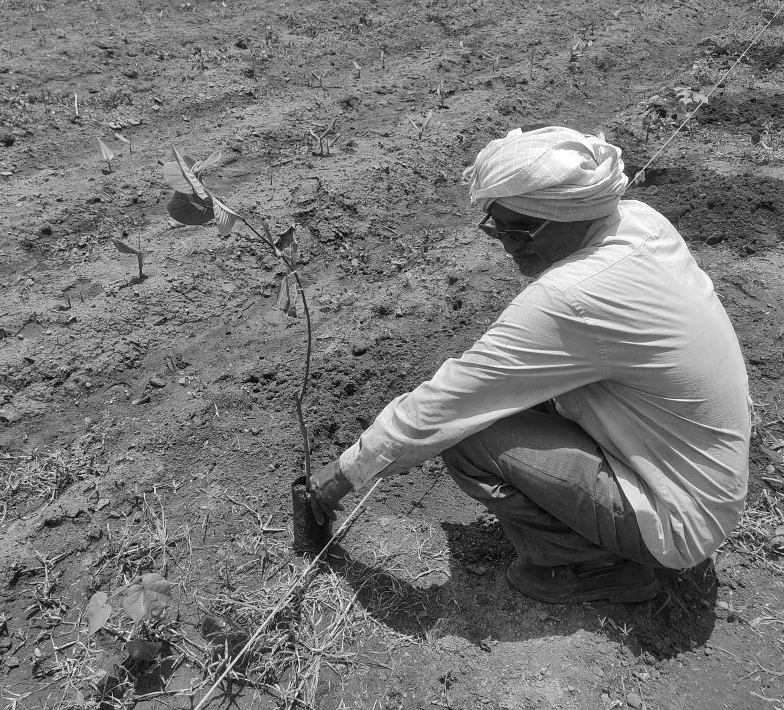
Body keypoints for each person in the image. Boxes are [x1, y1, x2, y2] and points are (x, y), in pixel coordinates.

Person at [308, 126, 751, 604]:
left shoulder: (573, 297)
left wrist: (338, 479)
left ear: (567, 214)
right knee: (517, 404)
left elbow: (444, 405)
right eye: (496, 227)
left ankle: (593, 567)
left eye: (519, 230)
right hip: (705, 473)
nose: (506, 244)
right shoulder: (637, 222)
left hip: (678, 519)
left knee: (468, 435)